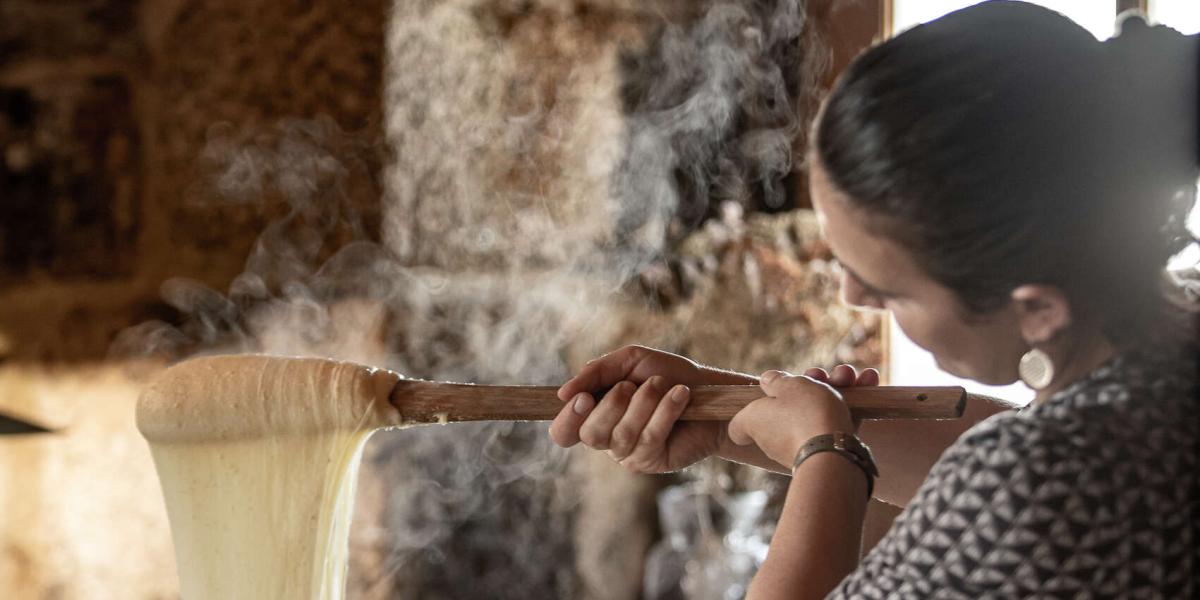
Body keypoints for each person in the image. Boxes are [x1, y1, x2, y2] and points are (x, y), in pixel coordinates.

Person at [549, 2, 1199, 598]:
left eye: (891, 291)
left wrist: (825, 459)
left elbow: (1014, 479)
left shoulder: (1039, 485)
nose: (851, 295)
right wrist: (733, 415)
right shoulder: (1168, 345)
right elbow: (1000, 455)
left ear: (1039, 310)